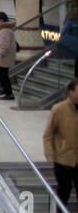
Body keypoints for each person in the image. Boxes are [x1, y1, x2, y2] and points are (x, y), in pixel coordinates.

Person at [42, 78, 78, 206]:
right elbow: (48, 134)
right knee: (64, 188)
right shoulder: (59, 109)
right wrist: (49, 153)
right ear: (71, 92)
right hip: (63, 158)